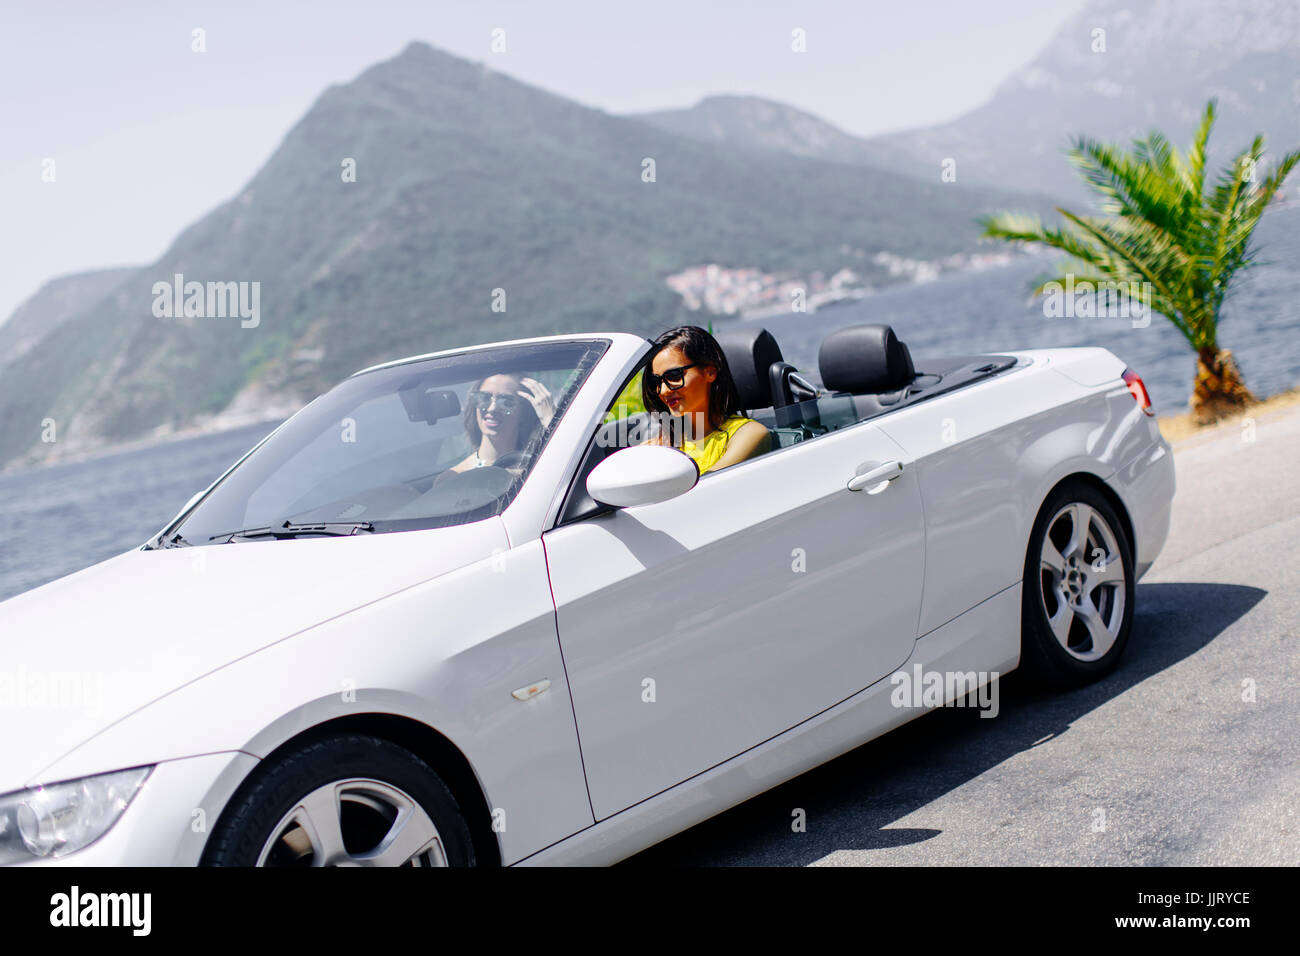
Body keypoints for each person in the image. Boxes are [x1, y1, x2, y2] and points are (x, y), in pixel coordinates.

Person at [639, 326, 770, 475]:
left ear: (710, 372)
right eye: (656, 382)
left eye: (674, 375)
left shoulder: (749, 434)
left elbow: (704, 488)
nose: (663, 391)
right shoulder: (660, 445)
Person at [437, 373, 555, 480]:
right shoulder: (451, 478)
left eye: (506, 402)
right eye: (484, 398)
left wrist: (551, 421)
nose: (492, 409)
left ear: (523, 413)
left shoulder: (538, 471)